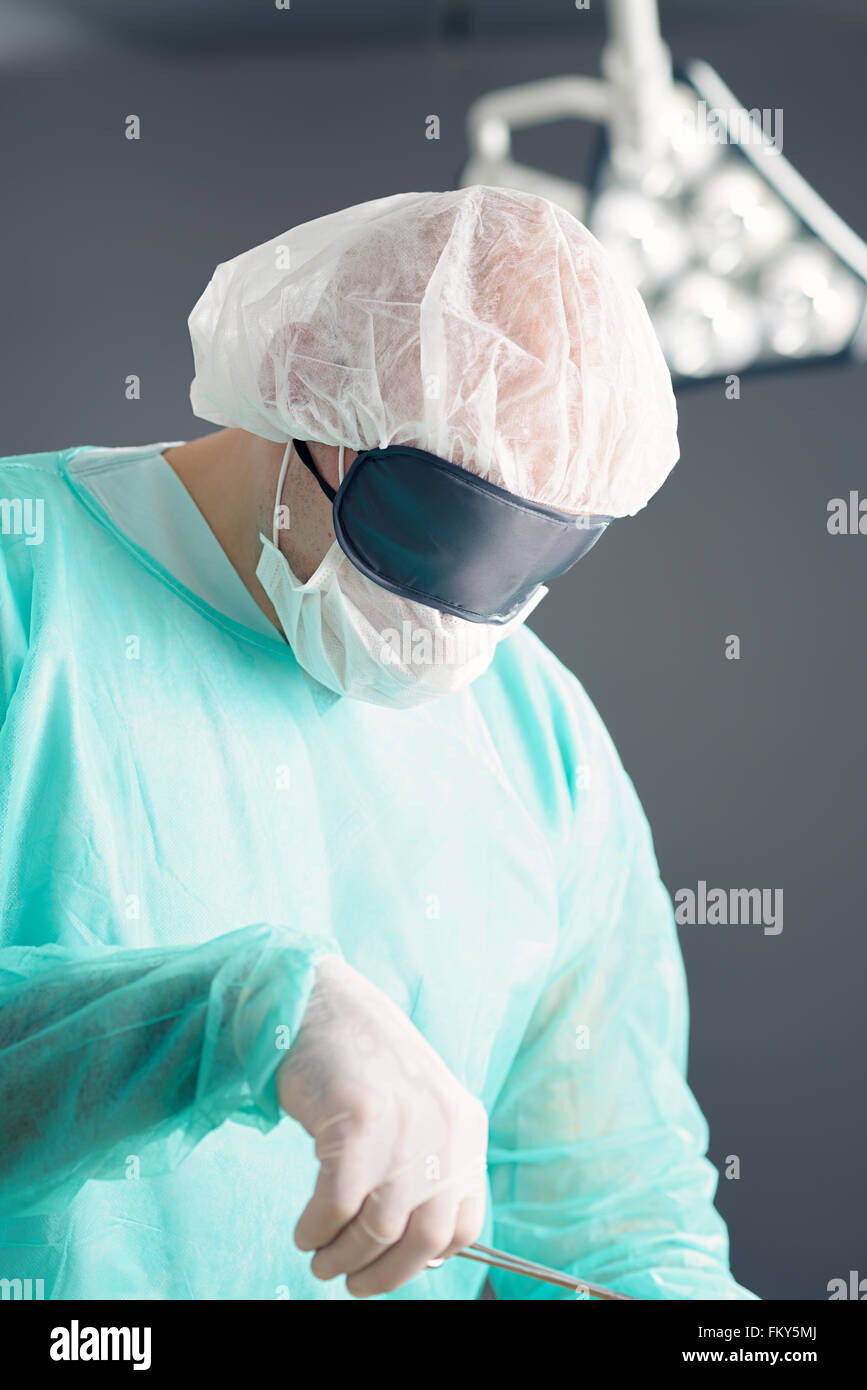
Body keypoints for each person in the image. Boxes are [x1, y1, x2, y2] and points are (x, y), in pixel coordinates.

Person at [0, 186, 757, 1300]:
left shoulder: (539, 740)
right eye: (432, 521)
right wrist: (228, 1012)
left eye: (530, 555)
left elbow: (614, 1222)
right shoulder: (28, 587)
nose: (450, 632)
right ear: (305, 376)